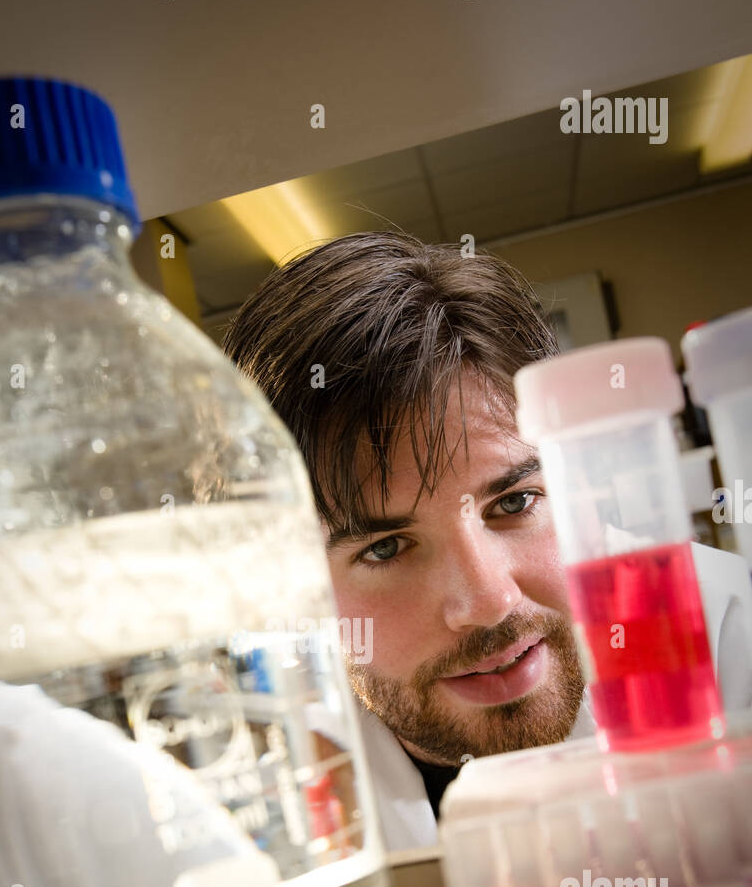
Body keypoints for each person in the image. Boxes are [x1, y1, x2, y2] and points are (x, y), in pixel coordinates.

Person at [223, 233, 752, 851]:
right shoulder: (261, 767)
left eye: (516, 502)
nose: (488, 601)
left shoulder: (728, 633)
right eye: (386, 547)